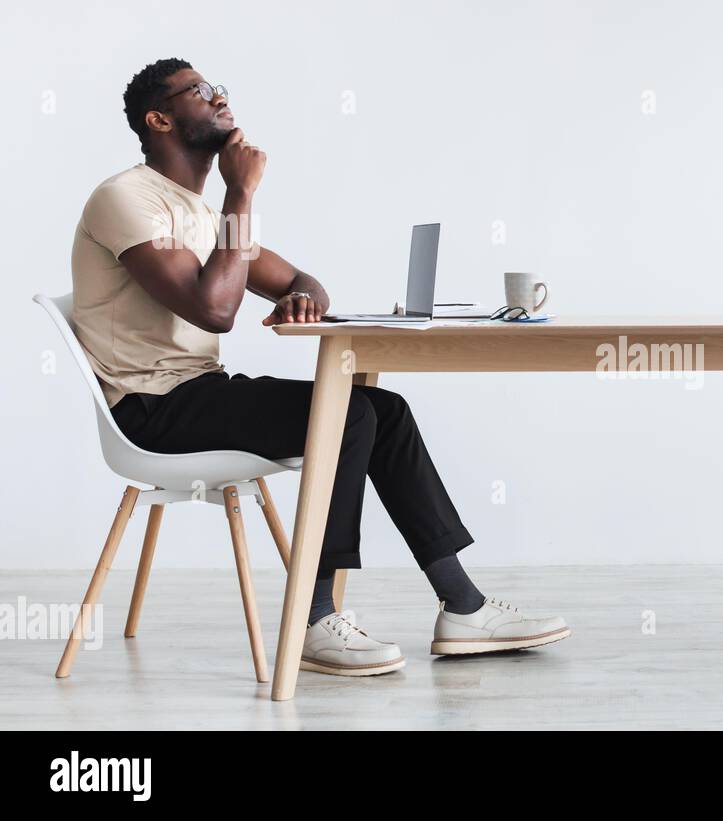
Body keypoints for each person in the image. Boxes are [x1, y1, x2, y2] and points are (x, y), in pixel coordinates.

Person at [69, 58, 570, 676]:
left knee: (382, 410)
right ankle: (314, 620)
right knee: (349, 414)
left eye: (219, 85)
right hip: (150, 410)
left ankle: (462, 605)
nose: (221, 97)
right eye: (201, 92)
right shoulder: (126, 199)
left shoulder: (202, 215)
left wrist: (299, 298)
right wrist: (241, 191)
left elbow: (304, 281)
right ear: (159, 118)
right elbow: (214, 311)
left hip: (199, 393)